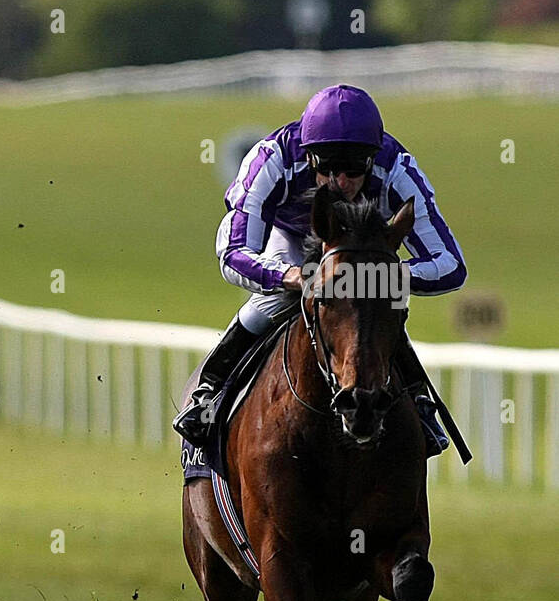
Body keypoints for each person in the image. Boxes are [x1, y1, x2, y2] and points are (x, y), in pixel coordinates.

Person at [172, 84, 466, 454]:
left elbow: (450, 264)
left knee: (372, 308)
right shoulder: (271, 159)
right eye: (326, 167)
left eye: (354, 168)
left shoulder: (398, 169)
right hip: (292, 239)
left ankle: (420, 404)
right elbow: (232, 252)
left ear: (373, 159)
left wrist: (384, 277)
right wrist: (288, 276)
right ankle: (210, 391)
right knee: (271, 303)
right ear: (308, 157)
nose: (340, 182)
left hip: (360, 251)